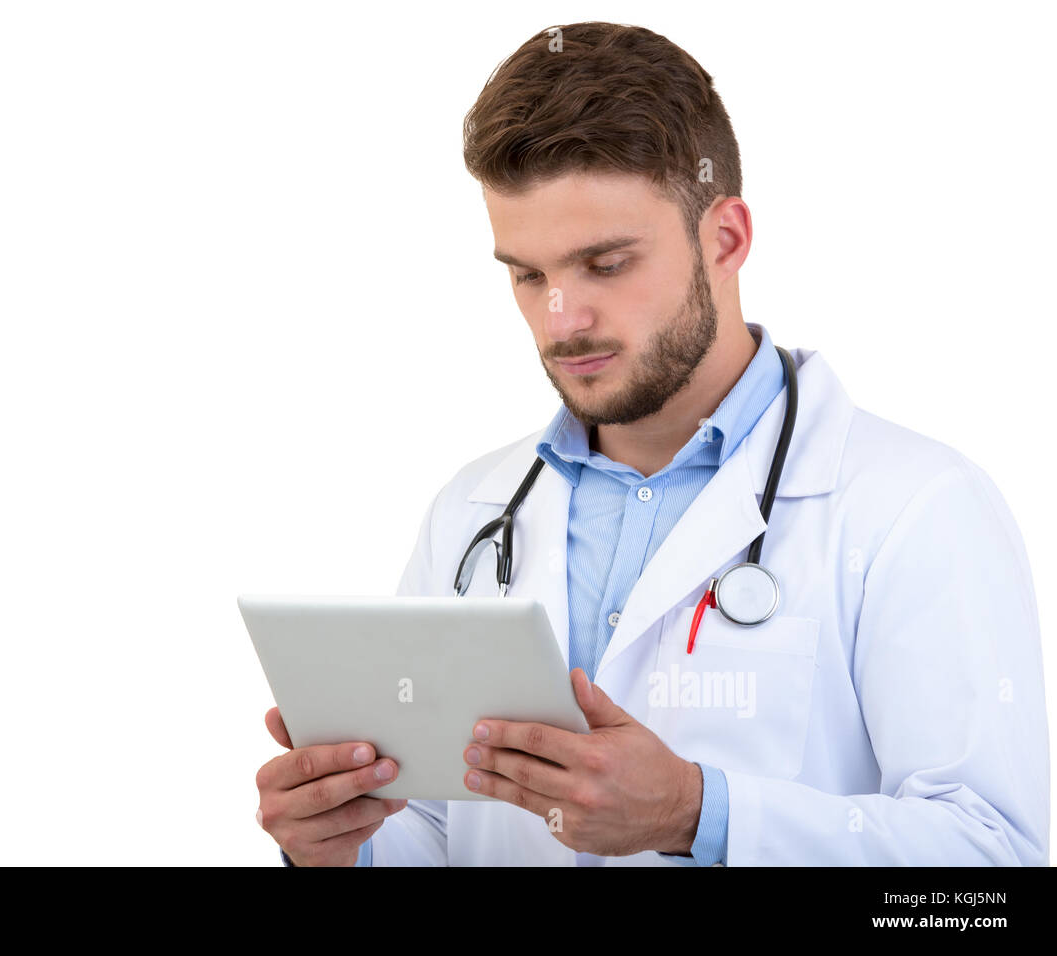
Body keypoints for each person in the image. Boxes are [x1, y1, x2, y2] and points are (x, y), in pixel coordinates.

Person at [253, 21, 1049, 866]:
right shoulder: (473, 512)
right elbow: (446, 832)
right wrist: (343, 845)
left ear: (726, 239)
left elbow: (987, 872)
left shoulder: (913, 506)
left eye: (605, 264)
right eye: (529, 274)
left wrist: (700, 815)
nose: (562, 318)